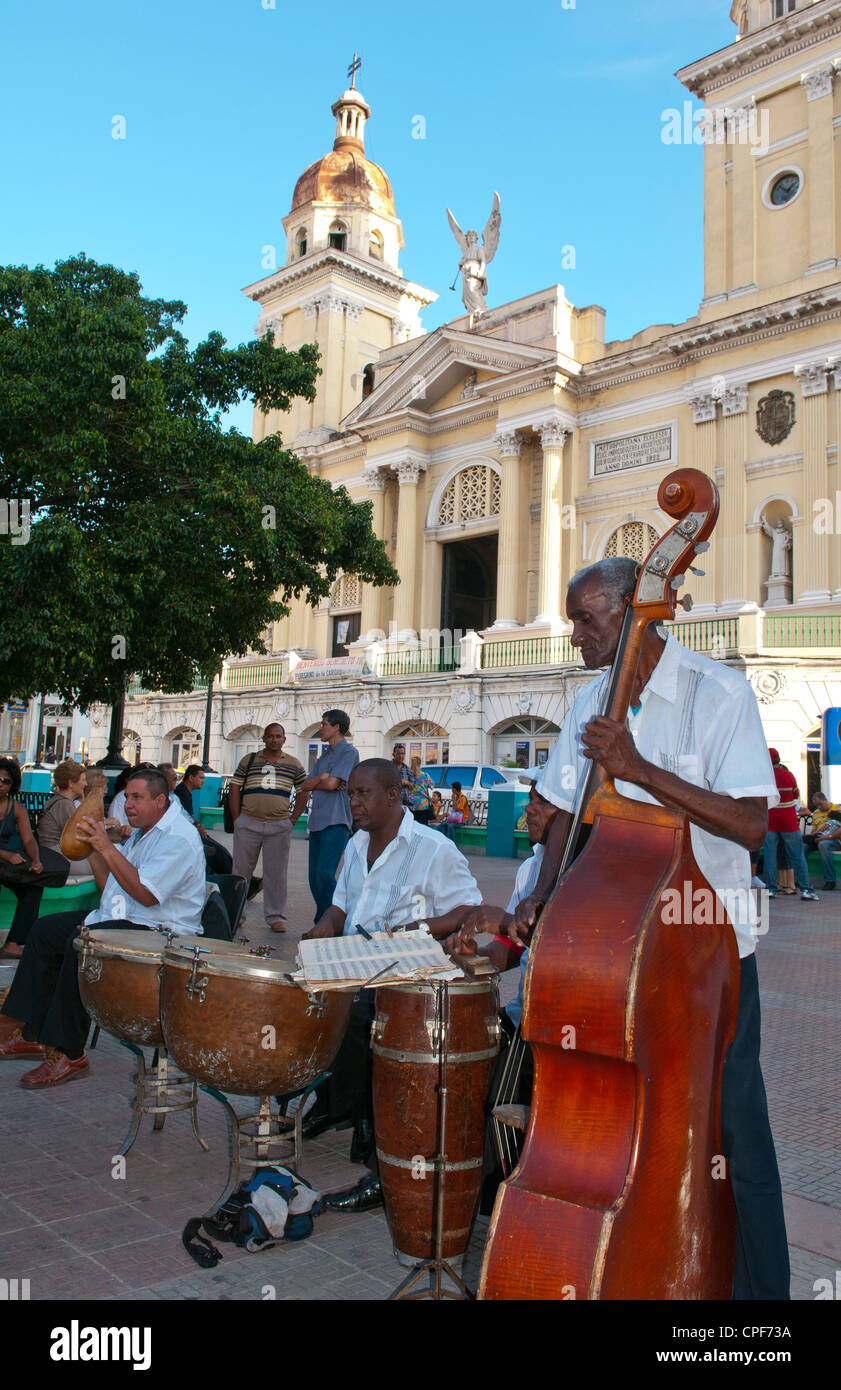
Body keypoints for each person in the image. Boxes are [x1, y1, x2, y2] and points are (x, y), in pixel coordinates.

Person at [512, 557, 789, 1302]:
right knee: (629, 1122)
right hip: (617, 950)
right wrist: (540, 898)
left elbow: (750, 825)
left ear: (640, 612)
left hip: (707, 950)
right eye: (572, 619)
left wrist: (637, 767)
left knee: (733, 1130)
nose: (574, 634)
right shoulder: (585, 703)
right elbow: (564, 809)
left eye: (586, 619)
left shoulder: (717, 693)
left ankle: (762, 1302)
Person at [302, 758, 483, 1212]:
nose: (354, 802)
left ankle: (369, 1129)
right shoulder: (353, 843)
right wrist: (321, 931)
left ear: (392, 796)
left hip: (405, 975)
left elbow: (469, 910)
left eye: (363, 794)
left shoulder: (434, 848)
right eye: (351, 795)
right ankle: (337, 1102)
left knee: (361, 1013)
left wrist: (421, 927)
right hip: (354, 963)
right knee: (300, 1001)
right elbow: (340, 907)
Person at [0, 768, 206, 1088]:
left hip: (161, 931)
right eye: (127, 797)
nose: (128, 805)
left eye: (137, 798)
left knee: (78, 941)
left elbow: (146, 895)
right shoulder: (144, 830)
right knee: (44, 931)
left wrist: (107, 847)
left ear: (161, 800)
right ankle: (32, 1033)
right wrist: (94, 848)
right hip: (130, 918)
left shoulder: (178, 837)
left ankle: (70, 1052)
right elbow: (111, 886)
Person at [228, 724, 305, 932]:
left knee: (276, 874)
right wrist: (238, 819)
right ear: (264, 738)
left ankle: (275, 917)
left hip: (279, 826)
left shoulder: (294, 764)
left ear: (284, 739)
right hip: (248, 824)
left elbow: (303, 791)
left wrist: (292, 820)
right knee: (240, 872)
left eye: (278, 736)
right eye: (270, 736)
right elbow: (235, 787)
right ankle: (236, 914)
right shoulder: (249, 760)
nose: (274, 740)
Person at [292, 710, 359, 924]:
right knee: (314, 878)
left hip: (336, 820)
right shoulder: (325, 756)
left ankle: (332, 920)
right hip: (318, 821)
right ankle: (324, 918)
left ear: (336, 727)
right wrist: (323, 778)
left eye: (324, 724)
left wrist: (324, 781)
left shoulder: (348, 752)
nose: (321, 728)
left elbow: (331, 784)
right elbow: (305, 784)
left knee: (324, 873)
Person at [0, 757, 69, 959]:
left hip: (6, 863)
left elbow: (29, 840)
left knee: (33, 886)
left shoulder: (17, 808)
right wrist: (7, 854)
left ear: (12, 785)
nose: (1, 785)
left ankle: (13, 943)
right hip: (5, 858)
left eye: (6, 781)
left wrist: (36, 859)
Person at [761, 750, 819, 902]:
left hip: (771, 821)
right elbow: (795, 795)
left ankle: (770, 889)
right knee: (798, 857)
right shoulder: (788, 775)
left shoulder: (764, 777)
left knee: (769, 856)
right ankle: (807, 890)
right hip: (789, 822)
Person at [35, 760, 93, 879]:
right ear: (71, 783)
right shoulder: (64, 804)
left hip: (50, 852)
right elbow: (79, 834)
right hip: (56, 854)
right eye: (83, 780)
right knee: (102, 865)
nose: (85, 784)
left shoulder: (57, 800)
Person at [174, 765, 233, 876]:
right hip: (188, 835)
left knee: (220, 851)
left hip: (193, 831)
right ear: (191, 778)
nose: (203, 781)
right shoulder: (181, 792)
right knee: (218, 852)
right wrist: (198, 827)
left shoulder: (185, 792)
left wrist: (198, 824)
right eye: (201, 778)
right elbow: (184, 818)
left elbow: (188, 815)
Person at [804, 791, 841, 890]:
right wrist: (813, 835)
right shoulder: (816, 813)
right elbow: (815, 830)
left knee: (823, 845)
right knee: (804, 848)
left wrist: (828, 836)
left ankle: (830, 880)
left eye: (820, 804)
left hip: (835, 839)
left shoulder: (838, 809)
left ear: (825, 800)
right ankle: (802, 880)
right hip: (820, 837)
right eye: (817, 805)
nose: (819, 807)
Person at [406, 755, 434, 825]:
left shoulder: (407, 775)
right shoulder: (424, 775)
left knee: (411, 826)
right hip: (422, 805)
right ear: (420, 764)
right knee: (422, 827)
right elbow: (432, 786)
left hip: (410, 804)